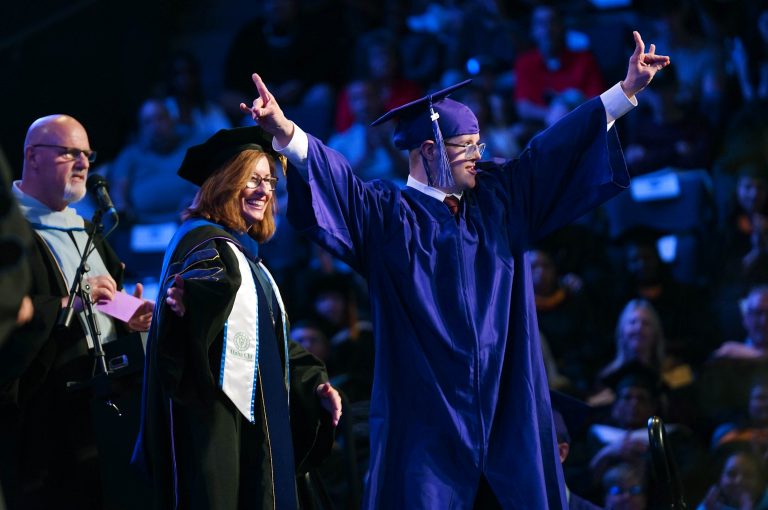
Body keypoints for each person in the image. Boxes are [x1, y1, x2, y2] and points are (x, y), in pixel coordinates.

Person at [241, 31, 670, 509]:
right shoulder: (387, 219)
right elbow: (337, 178)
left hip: (508, 408)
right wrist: (285, 131)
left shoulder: (499, 200)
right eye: (466, 146)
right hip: (428, 418)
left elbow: (550, 152)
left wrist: (625, 91)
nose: (478, 157)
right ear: (430, 151)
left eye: (479, 144)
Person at [132, 126, 341, 510]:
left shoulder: (246, 257)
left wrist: (314, 383)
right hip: (217, 431)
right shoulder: (205, 245)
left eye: (269, 181)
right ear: (226, 183)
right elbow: (204, 294)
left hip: (253, 428)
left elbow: (267, 339)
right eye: (252, 180)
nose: (265, 190)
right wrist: (187, 306)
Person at [0, 114, 154, 509]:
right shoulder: (10, 235)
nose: (84, 163)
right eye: (70, 153)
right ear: (32, 157)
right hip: (43, 416)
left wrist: (127, 312)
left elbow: (101, 298)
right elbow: (9, 312)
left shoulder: (87, 230)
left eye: (87, 154)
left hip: (102, 410)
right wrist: (72, 302)